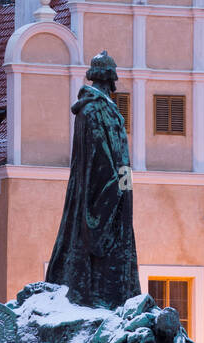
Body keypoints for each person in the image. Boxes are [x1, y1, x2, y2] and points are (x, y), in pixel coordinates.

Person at [45, 50, 139, 308]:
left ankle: (115, 298)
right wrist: (115, 187)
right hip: (104, 190)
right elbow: (99, 155)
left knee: (115, 248)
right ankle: (102, 298)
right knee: (102, 246)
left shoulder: (102, 108)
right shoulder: (93, 110)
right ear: (110, 81)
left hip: (114, 188)